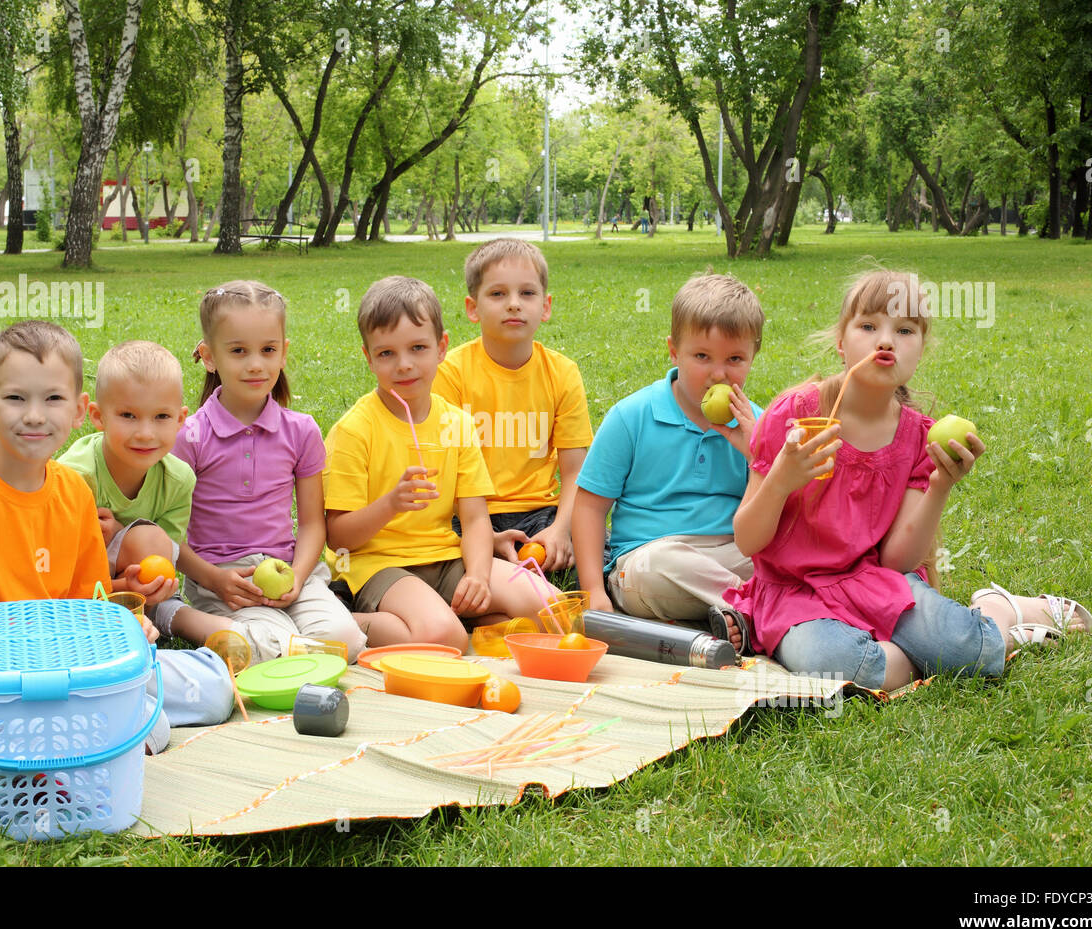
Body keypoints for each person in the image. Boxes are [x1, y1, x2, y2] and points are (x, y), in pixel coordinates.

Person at [0, 321, 233, 753]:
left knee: (215, 686)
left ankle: (95, 721)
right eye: (16, 398)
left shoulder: (72, 491)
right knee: (146, 727)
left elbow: (87, 599)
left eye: (53, 399)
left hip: (70, 660)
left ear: (78, 410)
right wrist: (41, 675)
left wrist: (125, 617)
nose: (35, 415)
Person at [725, 271, 1092, 690]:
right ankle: (942, 649)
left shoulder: (918, 436)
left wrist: (940, 486)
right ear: (842, 343)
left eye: (904, 330)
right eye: (868, 327)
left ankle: (998, 611)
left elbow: (896, 563)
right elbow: (748, 541)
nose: (886, 341)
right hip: (794, 594)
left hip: (874, 581)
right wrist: (780, 481)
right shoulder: (795, 416)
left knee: (978, 655)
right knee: (836, 664)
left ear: (921, 349)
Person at [323, 275, 557, 650]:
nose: (404, 365)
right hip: (377, 566)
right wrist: (390, 504)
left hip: (446, 557)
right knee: (446, 638)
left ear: (441, 347)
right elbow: (338, 537)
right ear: (368, 358)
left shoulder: (457, 423)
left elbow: (475, 518)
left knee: (548, 608)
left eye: (418, 347)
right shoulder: (354, 430)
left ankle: (450, 612)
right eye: (386, 354)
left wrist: (479, 576)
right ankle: (345, 622)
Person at [173, 281, 367, 662]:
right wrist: (213, 579)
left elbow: (312, 524)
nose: (256, 364)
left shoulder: (302, 431)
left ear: (283, 353)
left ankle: (310, 630)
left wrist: (297, 574)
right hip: (223, 579)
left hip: (287, 569)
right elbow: (167, 534)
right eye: (238, 351)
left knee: (344, 638)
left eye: (268, 350)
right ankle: (177, 616)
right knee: (272, 648)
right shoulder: (190, 436)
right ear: (209, 357)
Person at [573, 272, 763, 651]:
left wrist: (756, 456)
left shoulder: (756, 423)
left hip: (732, 550)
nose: (719, 374)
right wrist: (594, 589)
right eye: (702, 357)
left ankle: (729, 616)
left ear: (752, 357)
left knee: (778, 559)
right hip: (652, 557)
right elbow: (590, 508)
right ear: (674, 352)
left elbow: (772, 519)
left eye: (735, 358)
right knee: (657, 568)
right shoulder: (632, 416)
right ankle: (763, 607)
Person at [58, 340, 243, 646]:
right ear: (97, 415)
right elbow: (60, 569)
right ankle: (132, 617)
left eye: (161, 417)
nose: (145, 433)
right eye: (128, 416)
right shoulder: (74, 478)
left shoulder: (178, 479)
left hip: (134, 584)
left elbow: (164, 555)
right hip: (74, 590)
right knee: (146, 540)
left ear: (181, 420)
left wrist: (157, 582)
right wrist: (119, 587)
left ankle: (157, 612)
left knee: (152, 540)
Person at [433, 238, 593, 572]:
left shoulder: (562, 373)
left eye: (527, 293)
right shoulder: (450, 372)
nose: (514, 304)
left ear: (546, 306)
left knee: (592, 558)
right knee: (440, 560)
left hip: (541, 513)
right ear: (472, 307)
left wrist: (560, 530)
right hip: (468, 512)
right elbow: (444, 471)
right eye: (497, 294)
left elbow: (576, 470)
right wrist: (483, 536)